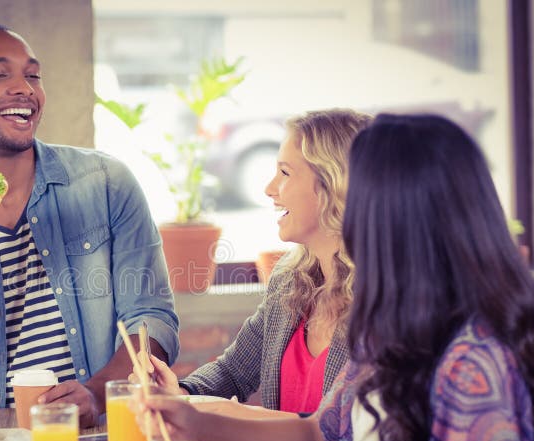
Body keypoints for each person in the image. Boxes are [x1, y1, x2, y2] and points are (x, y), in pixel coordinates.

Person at [138, 114, 534, 441]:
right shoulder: (392, 328)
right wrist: (193, 421)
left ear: (402, 217)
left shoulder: (476, 360)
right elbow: (318, 437)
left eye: (362, 201)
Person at [0, 23, 178, 427]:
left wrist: (97, 394)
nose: (24, 88)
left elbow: (153, 318)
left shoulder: (107, 183)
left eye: (32, 75)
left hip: (102, 436)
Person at [139, 109, 371, 417]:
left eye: (285, 173)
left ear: (333, 184)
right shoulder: (289, 280)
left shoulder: (383, 303)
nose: (269, 189)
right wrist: (181, 392)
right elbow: (233, 372)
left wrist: (220, 418)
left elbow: (335, 437)